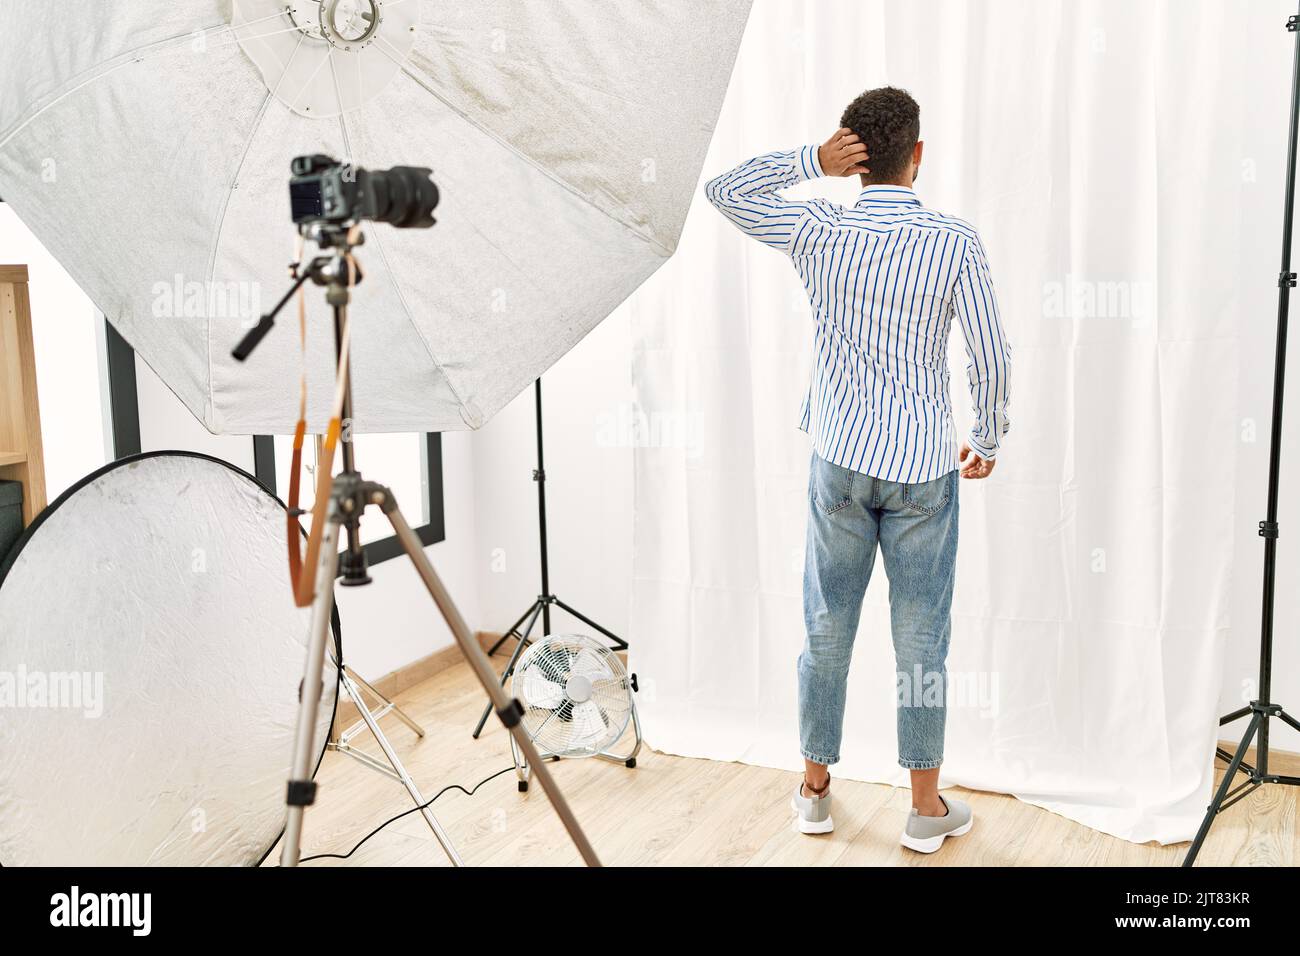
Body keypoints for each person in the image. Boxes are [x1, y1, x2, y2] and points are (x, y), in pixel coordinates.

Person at [704, 86, 1011, 853]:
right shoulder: (954, 241)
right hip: (921, 472)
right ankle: (925, 809)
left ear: (855, 156)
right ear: (917, 153)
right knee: (922, 643)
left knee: (825, 629)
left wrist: (810, 161)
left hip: (839, 462)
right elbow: (991, 354)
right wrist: (990, 434)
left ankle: (813, 795)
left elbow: (723, 191)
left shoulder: (820, 228)